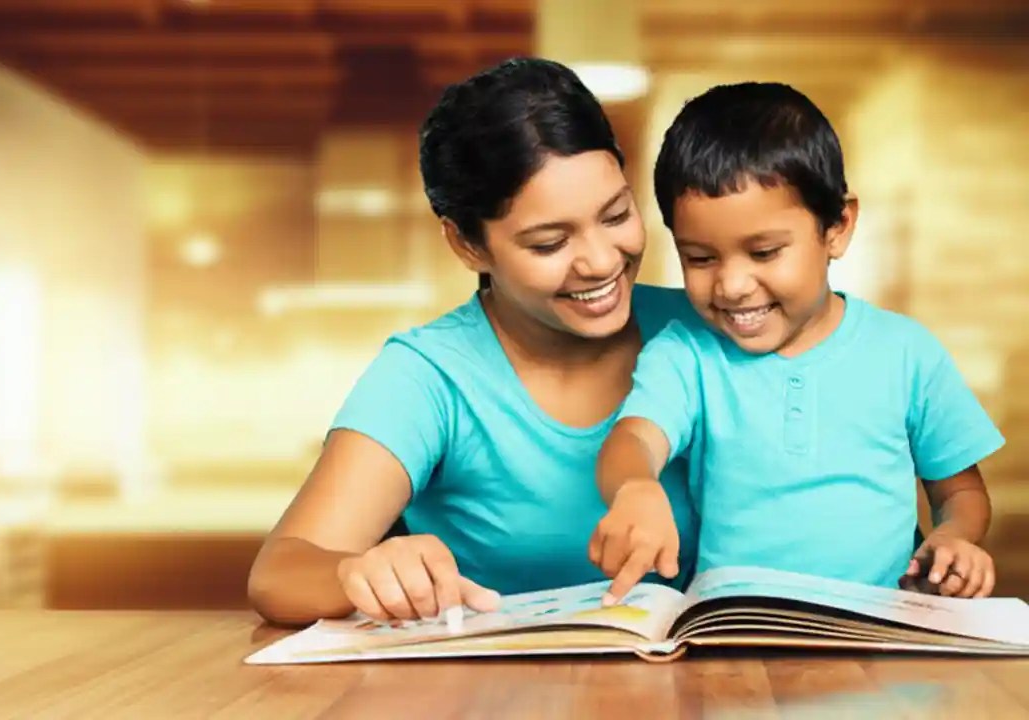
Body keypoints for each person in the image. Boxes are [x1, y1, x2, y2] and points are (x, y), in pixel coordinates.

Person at [246, 57, 706, 626]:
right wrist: (358, 573)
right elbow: (280, 572)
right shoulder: (430, 376)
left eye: (616, 215)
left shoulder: (702, 329)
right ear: (468, 246)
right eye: (548, 243)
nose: (601, 261)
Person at [589, 82, 1004, 605]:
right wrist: (636, 488)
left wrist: (952, 538)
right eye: (700, 258)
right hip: (733, 636)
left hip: (880, 638)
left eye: (764, 253)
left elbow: (961, 492)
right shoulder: (687, 355)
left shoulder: (906, 353)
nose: (732, 285)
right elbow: (633, 442)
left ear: (837, 227)